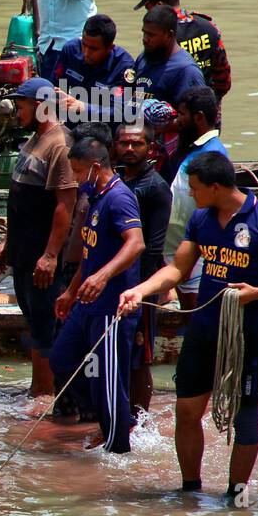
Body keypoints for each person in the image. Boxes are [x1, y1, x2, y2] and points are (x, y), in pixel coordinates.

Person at [118, 152, 258, 504]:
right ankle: (190, 489)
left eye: (195, 188)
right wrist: (140, 290)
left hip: (245, 336)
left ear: (215, 187)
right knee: (186, 411)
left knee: (245, 419)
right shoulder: (201, 219)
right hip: (204, 329)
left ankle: (236, 495)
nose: (191, 195)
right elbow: (178, 269)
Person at [50, 137, 144, 453]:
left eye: (77, 172)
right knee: (62, 358)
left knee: (110, 379)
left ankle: (117, 447)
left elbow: (136, 243)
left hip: (113, 307)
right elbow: (90, 255)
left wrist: (104, 276)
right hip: (86, 304)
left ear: (94, 167)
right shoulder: (94, 196)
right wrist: (71, 292)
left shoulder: (119, 198)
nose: (75, 179)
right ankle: (109, 418)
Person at [0, 78, 77, 397]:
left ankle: (45, 393)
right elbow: (20, 200)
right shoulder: (31, 142)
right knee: (33, 320)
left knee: (45, 326)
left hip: (44, 258)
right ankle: (38, 388)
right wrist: (7, 242)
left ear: (42, 106)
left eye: (23, 105)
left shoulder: (60, 143)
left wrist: (51, 255)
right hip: (24, 254)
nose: (17, 111)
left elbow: (64, 206)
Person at [114, 122, 172, 413]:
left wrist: (142, 288)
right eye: (123, 143)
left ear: (149, 148)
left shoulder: (156, 188)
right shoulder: (118, 182)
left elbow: (154, 246)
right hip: (117, 278)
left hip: (140, 283)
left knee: (140, 353)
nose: (129, 149)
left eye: (136, 144)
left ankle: (139, 418)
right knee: (120, 351)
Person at [163, 86, 229, 310]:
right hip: (177, 254)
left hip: (194, 257)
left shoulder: (210, 156)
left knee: (195, 317)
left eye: (181, 114)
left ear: (198, 117)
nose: (177, 120)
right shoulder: (192, 149)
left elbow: (216, 208)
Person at [134, 0, 231, 120]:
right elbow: (224, 79)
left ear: (159, 5)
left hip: (171, 118)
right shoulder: (209, 27)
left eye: (148, 8)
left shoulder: (163, 37)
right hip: (208, 113)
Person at [49, 13, 135, 124]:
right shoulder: (70, 50)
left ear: (110, 48)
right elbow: (53, 86)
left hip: (102, 129)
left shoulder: (124, 68)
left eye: (93, 49)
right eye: (83, 45)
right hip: (70, 121)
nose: (86, 53)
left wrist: (82, 107)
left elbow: (120, 112)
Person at [130, 4, 206, 110]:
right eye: (144, 33)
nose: (145, 39)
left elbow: (192, 119)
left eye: (151, 35)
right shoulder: (144, 57)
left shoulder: (186, 71)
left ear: (169, 35)